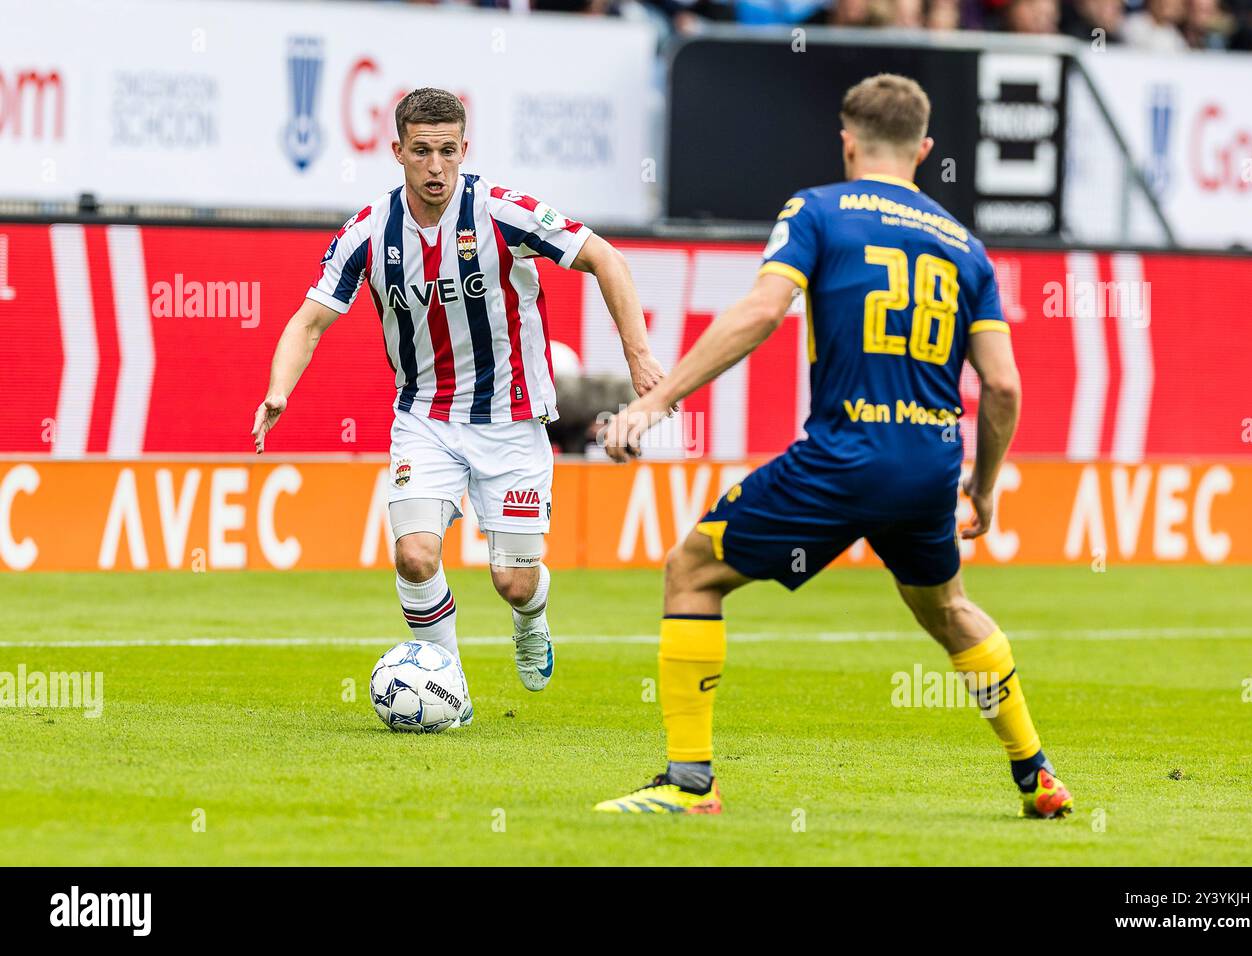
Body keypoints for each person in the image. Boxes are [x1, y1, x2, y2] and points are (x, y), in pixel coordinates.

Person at [595, 73, 1072, 818]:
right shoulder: (966, 248)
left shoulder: (817, 211)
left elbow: (761, 311)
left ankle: (690, 783)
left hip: (844, 454)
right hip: (928, 467)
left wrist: (656, 400)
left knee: (691, 570)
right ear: (925, 149)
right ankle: (1035, 774)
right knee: (950, 609)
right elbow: (1004, 386)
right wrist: (980, 490)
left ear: (847, 142)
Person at [252, 88, 665, 712]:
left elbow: (606, 258)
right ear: (397, 151)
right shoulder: (369, 231)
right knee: (415, 556)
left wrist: (639, 359)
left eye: (448, 151)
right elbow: (309, 321)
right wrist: (279, 389)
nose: (436, 166)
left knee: (513, 580)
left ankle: (532, 621)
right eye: (421, 152)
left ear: (464, 148)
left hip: (512, 420)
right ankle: (449, 684)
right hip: (424, 417)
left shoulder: (503, 212)